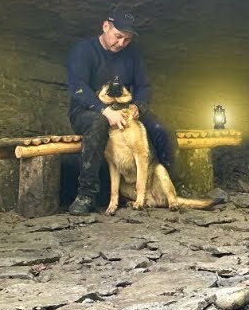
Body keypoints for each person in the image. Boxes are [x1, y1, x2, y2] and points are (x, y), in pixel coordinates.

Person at [66, 11, 175, 215]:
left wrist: (138, 106)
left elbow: (144, 86)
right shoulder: (84, 50)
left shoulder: (132, 54)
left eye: (127, 39)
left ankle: (169, 187)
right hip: (87, 110)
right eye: (118, 36)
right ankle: (86, 194)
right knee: (98, 124)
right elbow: (77, 87)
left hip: (125, 110)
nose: (122, 43)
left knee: (162, 130)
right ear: (105, 26)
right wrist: (104, 110)